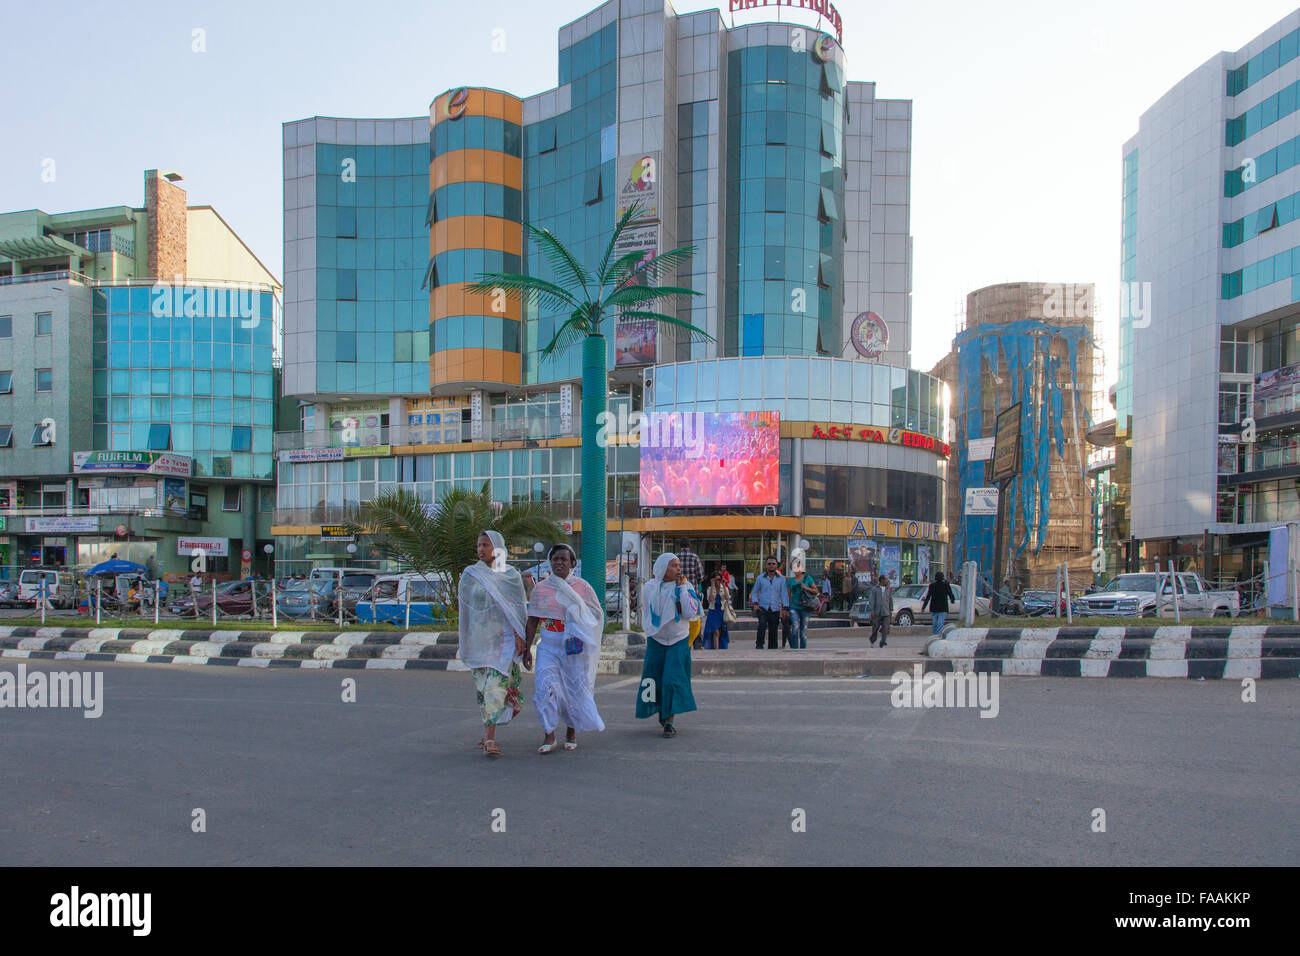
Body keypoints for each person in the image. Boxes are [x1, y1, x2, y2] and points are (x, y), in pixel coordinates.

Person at [525, 544, 605, 754]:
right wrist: (527, 649)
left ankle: (571, 731)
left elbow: (596, 615)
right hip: (548, 646)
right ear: (550, 562)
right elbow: (533, 619)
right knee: (545, 688)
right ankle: (549, 734)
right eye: (555, 559)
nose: (559, 562)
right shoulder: (541, 588)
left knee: (573, 690)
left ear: (572, 564)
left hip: (574, 648)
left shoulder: (583, 587)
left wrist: (577, 622)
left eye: (564, 559)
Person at [457, 530, 529, 757]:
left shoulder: (510, 576)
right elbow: (467, 608)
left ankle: (489, 739)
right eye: (479, 545)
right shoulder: (471, 575)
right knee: (484, 688)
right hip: (481, 640)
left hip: (504, 642)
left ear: (497, 547)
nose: (481, 550)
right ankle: (487, 731)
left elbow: (517, 610)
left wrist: (520, 636)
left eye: (486, 545)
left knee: (494, 688)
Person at [635, 553, 700, 737]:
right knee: (654, 679)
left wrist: (681, 591)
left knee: (672, 679)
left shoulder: (686, 586)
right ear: (663, 568)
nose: (678, 569)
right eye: (673, 565)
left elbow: (689, 612)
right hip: (656, 638)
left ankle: (669, 721)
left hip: (678, 638)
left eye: (679, 565)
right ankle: (662, 711)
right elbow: (653, 610)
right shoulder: (650, 587)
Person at [750, 555, 788, 649]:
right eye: (769, 564)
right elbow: (755, 592)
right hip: (763, 607)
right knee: (761, 626)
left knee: (773, 630)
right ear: (766, 565)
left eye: (773, 564)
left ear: (776, 565)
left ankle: (772, 649)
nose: (771, 565)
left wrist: (786, 607)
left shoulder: (781, 579)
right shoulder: (760, 578)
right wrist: (755, 603)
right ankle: (759, 645)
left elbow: (784, 594)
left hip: (775, 608)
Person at [786, 548, 818, 650]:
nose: (796, 569)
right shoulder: (790, 581)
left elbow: (816, 591)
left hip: (805, 607)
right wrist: (787, 608)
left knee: (803, 631)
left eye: (797, 566)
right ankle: (794, 649)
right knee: (795, 628)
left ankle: (803, 650)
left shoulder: (807, 578)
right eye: (793, 567)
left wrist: (806, 587)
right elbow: (788, 595)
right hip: (794, 607)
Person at [701, 572, 733, 649]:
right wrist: (712, 585)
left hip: (722, 611)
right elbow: (710, 599)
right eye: (716, 580)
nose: (718, 581)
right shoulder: (709, 589)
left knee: (721, 631)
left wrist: (724, 585)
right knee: (716, 632)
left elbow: (727, 597)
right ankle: (716, 650)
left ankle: (721, 647)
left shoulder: (723, 588)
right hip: (713, 612)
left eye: (719, 579)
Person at [921, 571, 957, 636]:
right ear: (942, 577)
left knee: (934, 623)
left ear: (935, 578)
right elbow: (950, 594)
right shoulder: (946, 585)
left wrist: (923, 607)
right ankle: (938, 635)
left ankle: (935, 634)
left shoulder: (932, 586)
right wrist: (952, 600)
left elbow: (928, 597)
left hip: (934, 607)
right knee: (940, 623)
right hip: (943, 607)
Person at [868, 574, 893, 647]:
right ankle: (872, 640)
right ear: (882, 580)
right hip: (877, 612)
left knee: (885, 628)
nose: (887, 581)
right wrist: (872, 611)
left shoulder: (888, 589)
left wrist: (891, 610)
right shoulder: (875, 589)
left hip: (886, 612)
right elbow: (872, 600)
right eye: (886, 579)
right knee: (875, 628)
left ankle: (882, 642)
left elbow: (890, 600)